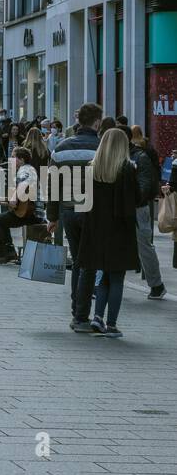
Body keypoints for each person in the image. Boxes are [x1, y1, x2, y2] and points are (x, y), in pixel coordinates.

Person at [70, 128, 140, 336]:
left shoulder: (93, 169)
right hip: (119, 230)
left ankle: (98, 317)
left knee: (102, 277)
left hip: (95, 230)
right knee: (116, 278)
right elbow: (135, 200)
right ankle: (111, 324)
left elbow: (82, 202)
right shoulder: (127, 169)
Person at [45, 102, 102, 321]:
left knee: (78, 259)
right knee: (88, 263)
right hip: (93, 212)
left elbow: (52, 185)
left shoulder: (61, 148)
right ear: (97, 122)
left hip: (69, 211)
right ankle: (80, 314)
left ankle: (75, 308)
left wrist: (52, 216)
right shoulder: (101, 147)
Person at [0, 146, 46, 262]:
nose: (10, 159)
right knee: (2, 221)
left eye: (13, 157)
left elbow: (23, 185)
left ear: (21, 160)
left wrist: (14, 199)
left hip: (33, 214)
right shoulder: (28, 169)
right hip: (31, 212)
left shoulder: (25, 169)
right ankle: (9, 252)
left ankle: (2, 254)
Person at [129, 127, 165, 299]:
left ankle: (156, 285)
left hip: (138, 208)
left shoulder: (140, 155)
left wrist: (133, 200)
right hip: (133, 207)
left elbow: (146, 182)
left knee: (144, 245)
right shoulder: (132, 154)